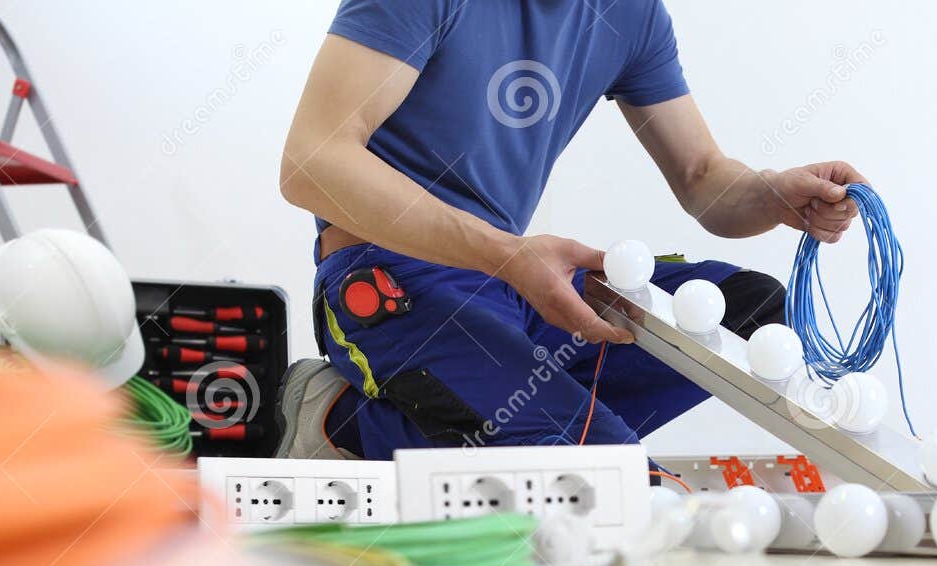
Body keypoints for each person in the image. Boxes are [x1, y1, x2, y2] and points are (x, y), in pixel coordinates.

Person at [278, 0, 863, 460]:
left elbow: (703, 177)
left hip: (513, 281)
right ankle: (335, 420)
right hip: (392, 279)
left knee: (750, 312)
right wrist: (505, 255)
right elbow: (311, 162)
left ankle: (515, 424)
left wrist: (770, 193)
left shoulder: (632, 14)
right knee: (601, 466)